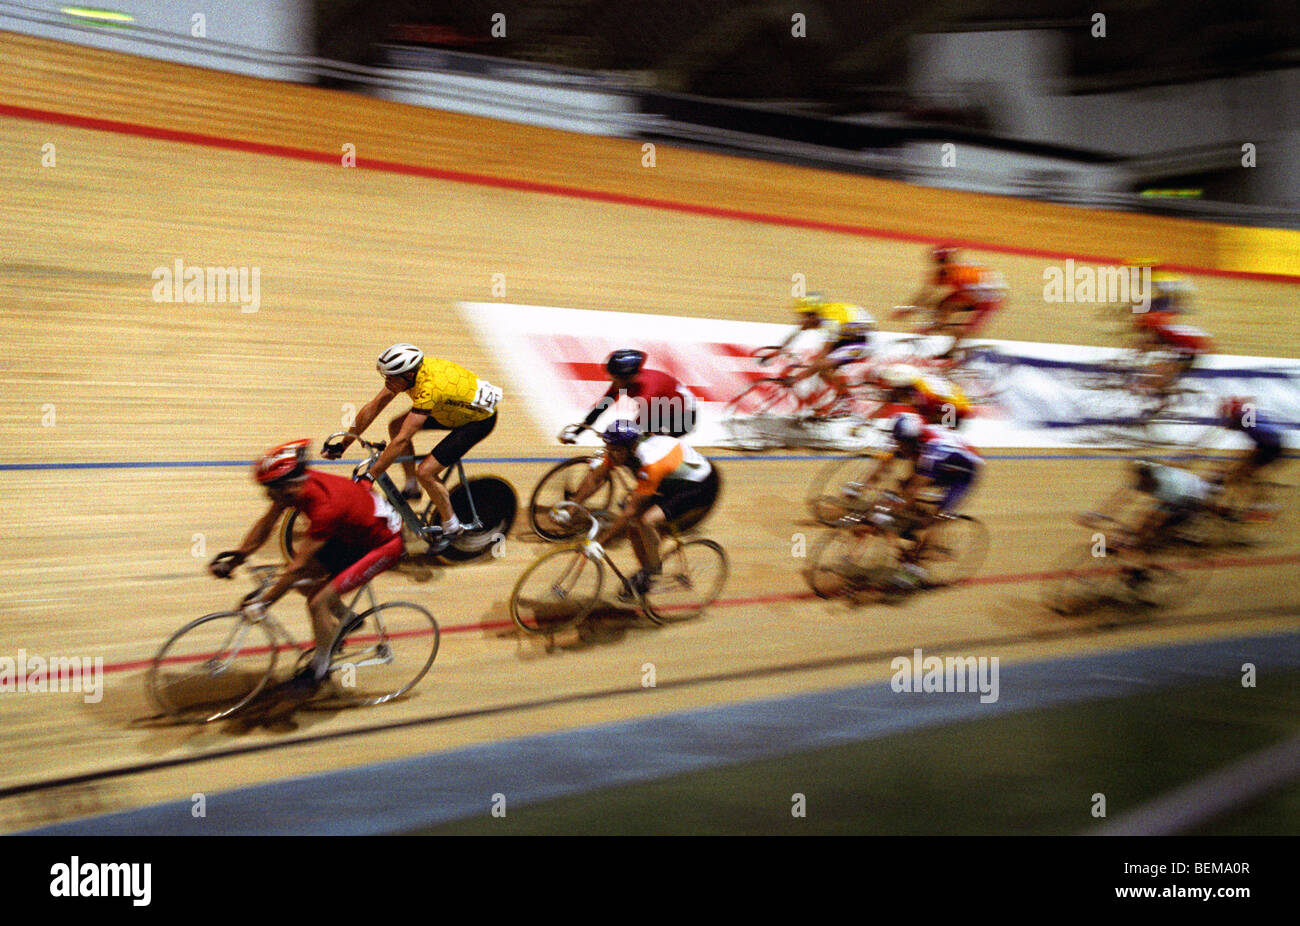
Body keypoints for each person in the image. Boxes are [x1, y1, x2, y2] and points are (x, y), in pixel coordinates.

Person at [208, 439, 405, 689]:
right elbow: (266, 524)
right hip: (354, 532)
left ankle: (319, 669)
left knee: (316, 600)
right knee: (301, 582)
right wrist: (238, 556)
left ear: (288, 485)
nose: (268, 495)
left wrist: (264, 603)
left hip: (383, 546)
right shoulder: (294, 485)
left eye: (271, 489)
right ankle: (347, 620)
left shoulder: (324, 507)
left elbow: (297, 566)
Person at [324, 343, 501, 540]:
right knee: (396, 425)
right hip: (452, 409)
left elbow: (402, 441)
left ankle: (451, 524)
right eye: (386, 376)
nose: (387, 381)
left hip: (477, 421)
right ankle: (411, 486)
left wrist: (370, 476)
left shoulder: (429, 389)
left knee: (425, 472)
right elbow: (374, 407)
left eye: (391, 377)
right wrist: (343, 444)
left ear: (408, 375)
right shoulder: (409, 374)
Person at [568, 420, 720, 596]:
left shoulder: (650, 463)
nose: (609, 454)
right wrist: (572, 506)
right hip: (673, 480)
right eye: (607, 448)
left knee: (647, 520)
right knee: (633, 527)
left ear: (628, 448)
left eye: (613, 450)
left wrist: (601, 542)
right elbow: (595, 478)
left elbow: (631, 510)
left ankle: (652, 573)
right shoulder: (621, 451)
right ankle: (647, 572)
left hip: (699, 486)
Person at [854, 413, 983, 588]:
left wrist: (887, 512)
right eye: (897, 441)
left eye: (902, 444)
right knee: (904, 486)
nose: (899, 446)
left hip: (964, 472)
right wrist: (863, 487)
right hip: (948, 459)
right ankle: (913, 525)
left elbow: (915, 488)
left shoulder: (932, 452)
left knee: (938, 519)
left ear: (912, 441)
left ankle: (916, 570)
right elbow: (887, 463)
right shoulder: (910, 439)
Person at [893, 245, 1007, 362]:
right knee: (942, 307)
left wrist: (938, 324)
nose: (941, 265)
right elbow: (925, 295)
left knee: (962, 327)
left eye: (943, 261)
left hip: (991, 299)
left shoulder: (961, 276)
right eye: (938, 262)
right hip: (975, 291)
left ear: (950, 260)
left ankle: (950, 354)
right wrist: (908, 309)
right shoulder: (943, 273)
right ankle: (936, 328)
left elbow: (961, 305)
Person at [770, 293, 876, 416]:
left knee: (823, 365)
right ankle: (837, 394)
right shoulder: (818, 316)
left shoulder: (831, 322)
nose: (803, 319)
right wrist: (778, 350)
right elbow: (796, 333)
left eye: (805, 316)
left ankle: (844, 399)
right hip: (846, 335)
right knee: (822, 368)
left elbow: (822, 357)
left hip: (862, 340)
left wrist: (797, 378)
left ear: (815, 314)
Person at [561, 348, 697, 442]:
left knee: (652, 449)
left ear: (629, 377)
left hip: (682, 417)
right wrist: (577, 432)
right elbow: (601, 407)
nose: (610, 380)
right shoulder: (623, 382)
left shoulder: (649, 391)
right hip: (662, 411)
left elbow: (635, 426)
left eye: (614, 377)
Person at [1214, 396, 1285, 492]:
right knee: (1244, 468)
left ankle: (1250, 492)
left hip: (1268, 446)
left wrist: (1224, 413)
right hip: (1271, 443)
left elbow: (1229, 425)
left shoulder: (1241, 418)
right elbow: (1249, 401)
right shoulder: (1248, 412)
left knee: (1242, 470)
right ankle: (1249, 486)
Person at [875, 363, 971, 429]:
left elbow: (934, 418)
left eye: (894, 387)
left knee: (934, 433)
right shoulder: (917, 381)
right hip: (950, 401)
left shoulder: (924, 396)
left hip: (956, 409)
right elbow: (891, 399)